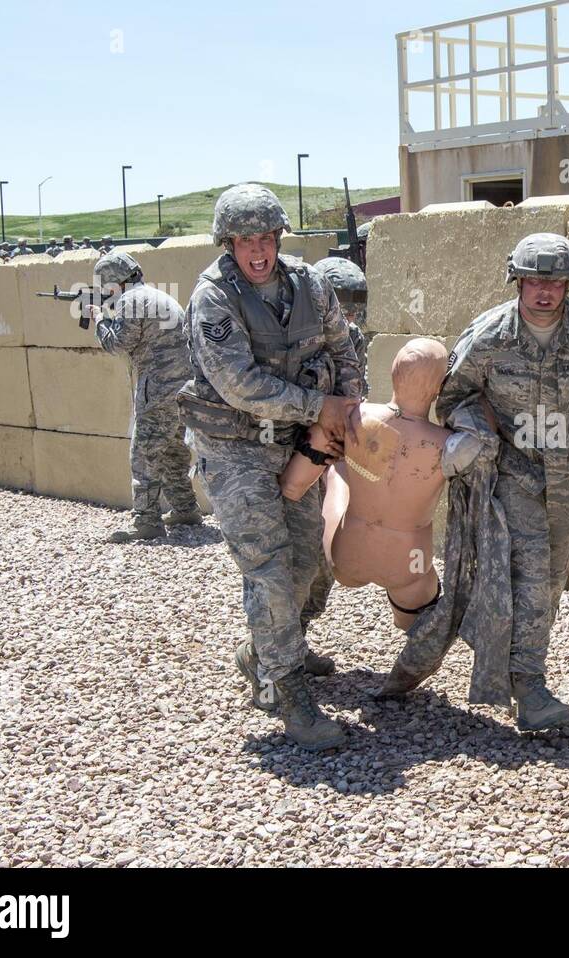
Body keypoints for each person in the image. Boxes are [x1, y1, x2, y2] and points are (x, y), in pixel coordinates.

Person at [381, 233, 569, 731]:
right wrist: (478, 435)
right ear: (517, 280)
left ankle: (449, 665)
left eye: (556, 281)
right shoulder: (489, 335)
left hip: (567, 481)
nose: (544, 291)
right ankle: (528, 688)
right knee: (529, 576)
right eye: (534, 280)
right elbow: (453, 398)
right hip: (509, 475)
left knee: (552, 577)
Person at [178, 183, 363, 751]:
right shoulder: (214, 297)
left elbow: (343, 350)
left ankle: (265, 649)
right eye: (244, 240)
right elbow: (239, 383)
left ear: (278, 238)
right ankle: (287, 690)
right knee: (270, 566)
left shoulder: (309, 284)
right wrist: (319, 407)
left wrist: (345, 412)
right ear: (227, 243)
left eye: (265, 237)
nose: (257, 250)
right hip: (233, 447)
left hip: (297, 443)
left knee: (310, 560)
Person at [280, 339, 450, 634]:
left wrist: (338, 466)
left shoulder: (350, 417)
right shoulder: (449, 444)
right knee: (419, 623)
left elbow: (293, 487)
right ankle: (412, 653)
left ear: (393, 372)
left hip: (348, 555)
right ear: (439, 388)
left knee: (338, 471)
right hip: (408, 564)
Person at [90, 250, 201, 544]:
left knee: (144, 454)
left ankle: (146, 520)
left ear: (114, 283)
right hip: (184, 388)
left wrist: (100, 320)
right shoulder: (159, 297)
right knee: (174, 451)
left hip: (159, 390)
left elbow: (118, 344)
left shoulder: (130, 301)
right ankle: (186, 508)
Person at [296, 256, 371, 636]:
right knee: (295, 560)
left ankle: (297, 640)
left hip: (330, 461)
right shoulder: (294, 340)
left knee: (326, 558)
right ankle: (273, 651)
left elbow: (358, 397)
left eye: (356, 303)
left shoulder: (353, 340)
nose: (350, 315)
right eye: (342, 303)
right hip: (290, 460)